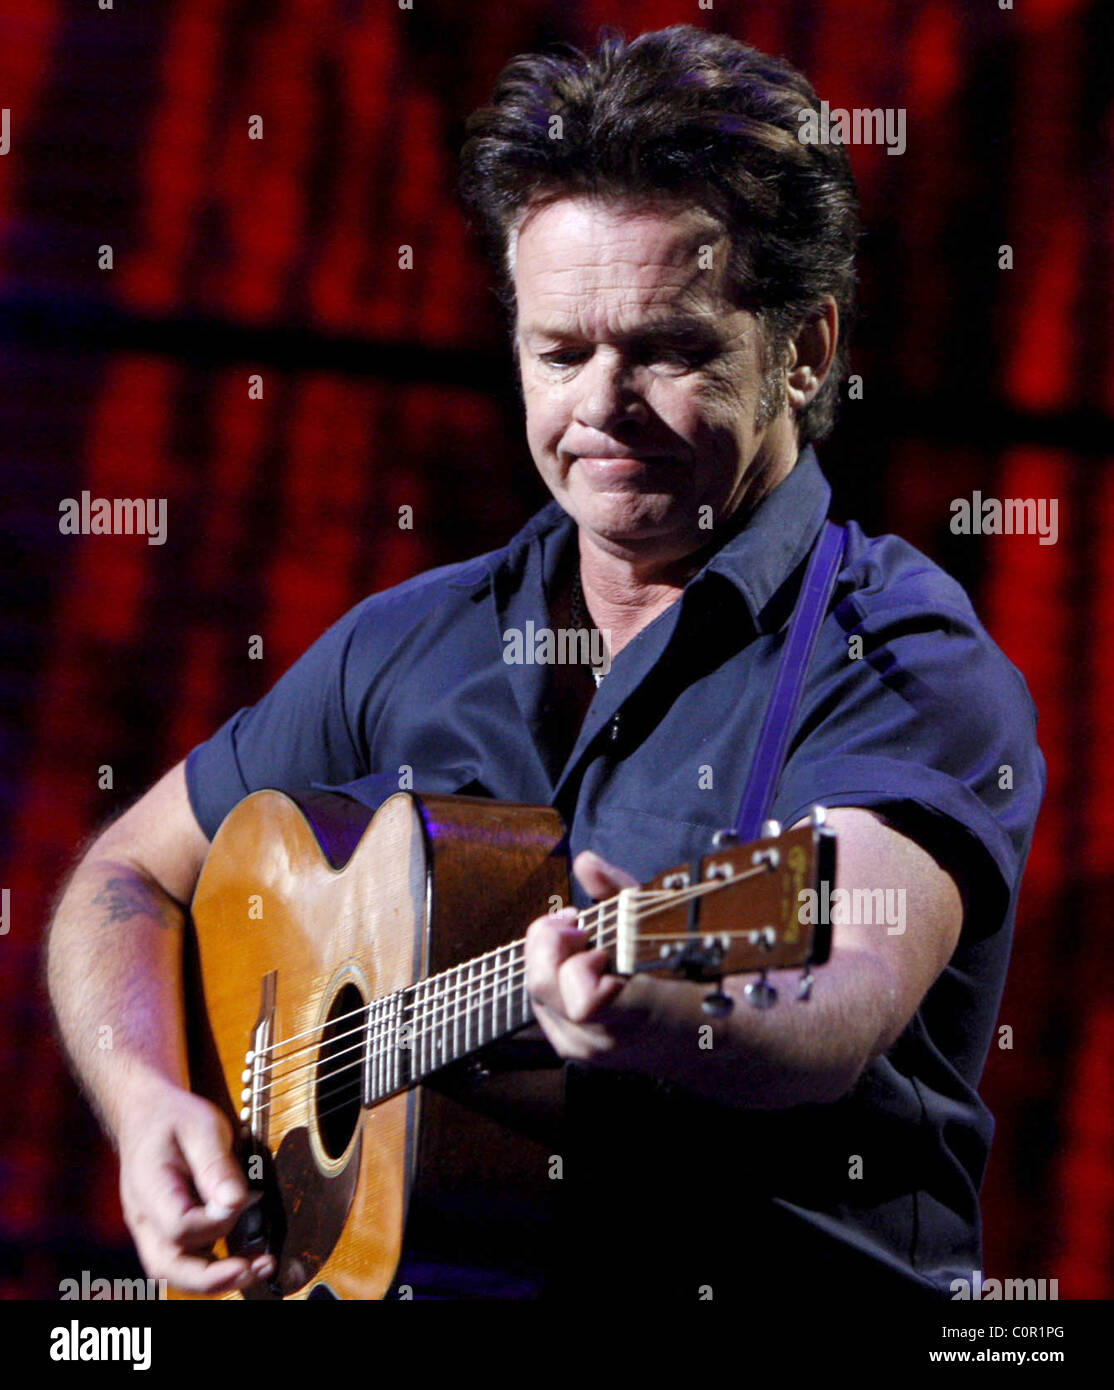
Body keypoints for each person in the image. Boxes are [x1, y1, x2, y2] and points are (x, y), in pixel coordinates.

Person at [46, 26, 1044, 1301]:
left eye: (668, 350)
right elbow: (124, 878)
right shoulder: (411, 640)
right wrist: (146, 1109)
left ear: (801, 352)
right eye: (560, 353)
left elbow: (841, 992)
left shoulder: (900, 653)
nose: (599, 406)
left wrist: (664, 1018)